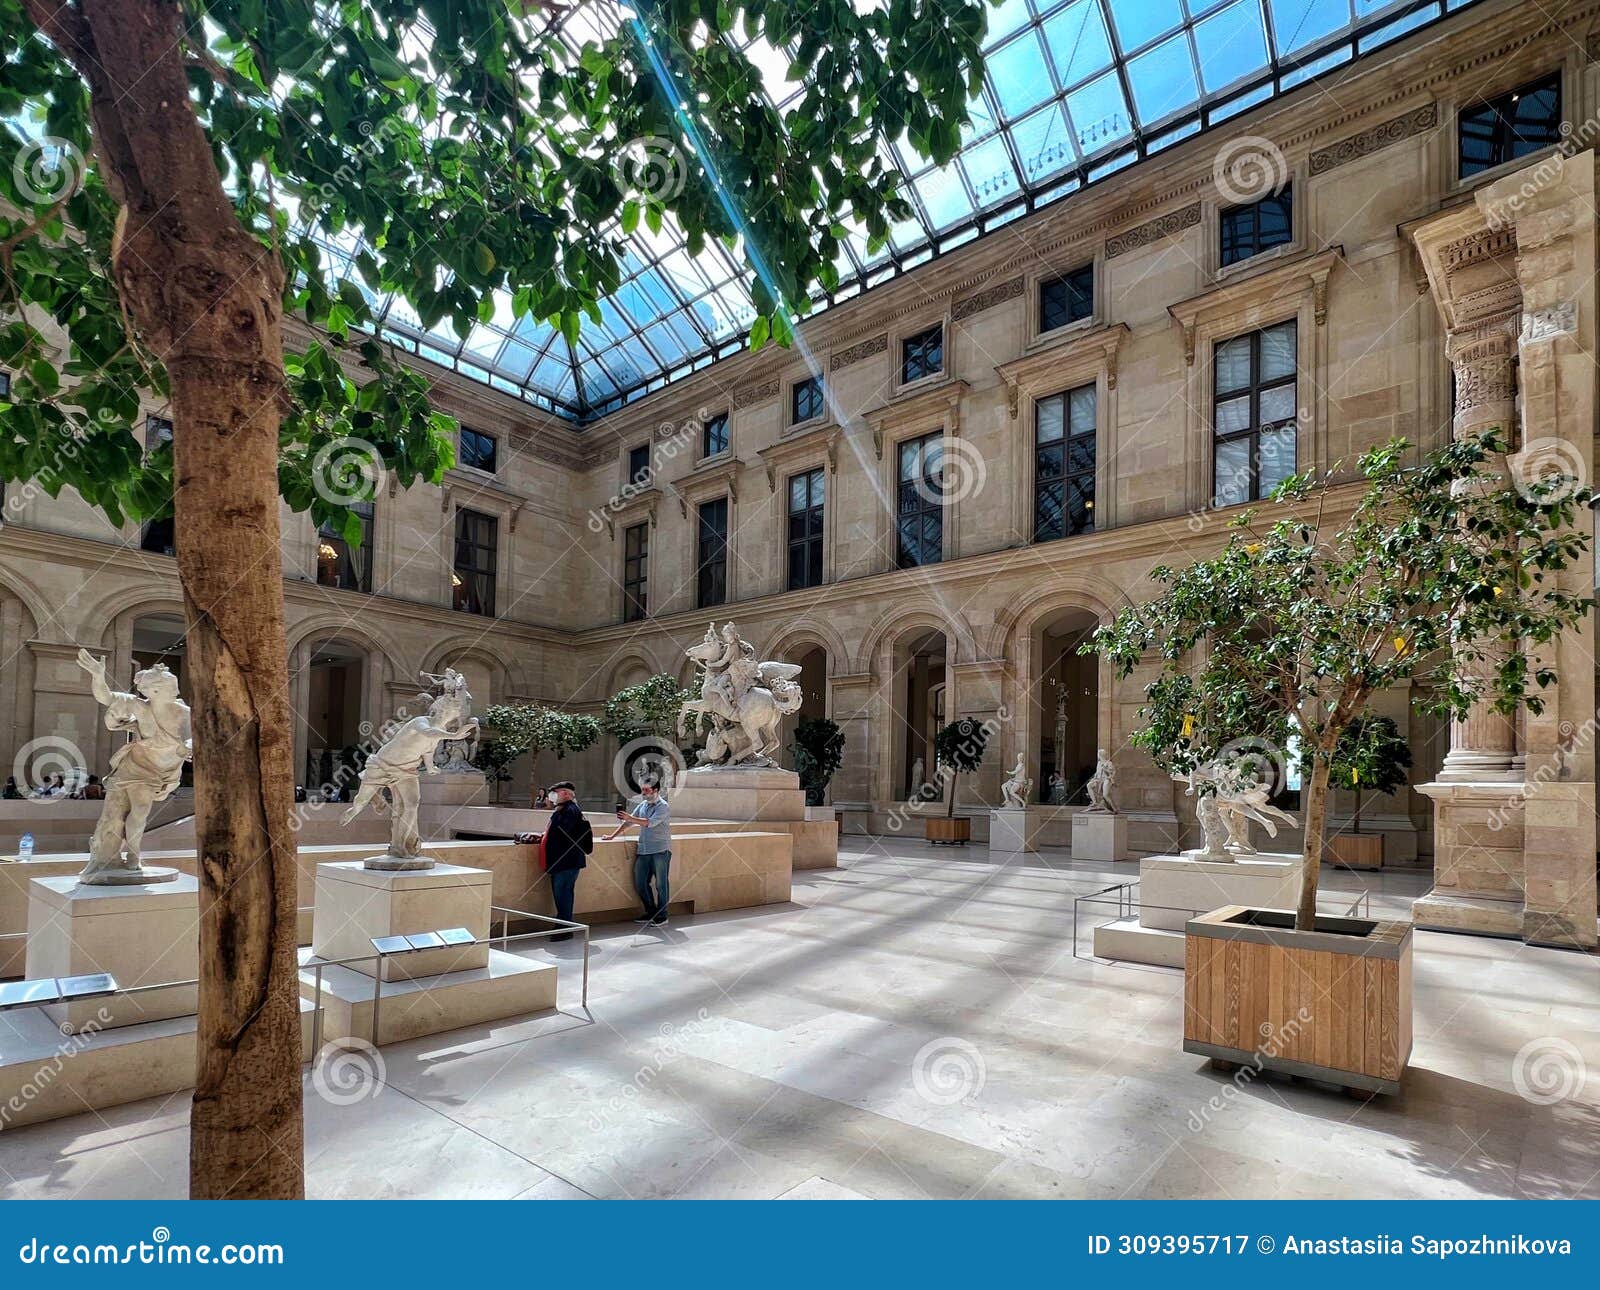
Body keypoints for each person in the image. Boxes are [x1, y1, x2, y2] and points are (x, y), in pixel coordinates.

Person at [608, 779, 672, 926]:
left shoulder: (663, 806)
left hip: (661, 850)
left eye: (647, 790)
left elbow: (649, 823)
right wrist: (612, 836)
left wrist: (630, 818)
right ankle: (651, 912)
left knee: (661, 884)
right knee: (640, 882)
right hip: (643, 849)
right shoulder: (643, 805)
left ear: (656, 790)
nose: (644, 793)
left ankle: (662, 916)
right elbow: (629, 823)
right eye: (642, 790)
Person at [536, 781, 591, 941]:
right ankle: (563, 925)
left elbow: (563, 833)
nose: (552, 795)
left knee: (563, 894)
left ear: (566, 794)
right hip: (562, 861)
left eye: (555, 792)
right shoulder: (563, 810)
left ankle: (565, 928)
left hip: (566, 862)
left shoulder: (570, 810)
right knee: (563, 894)